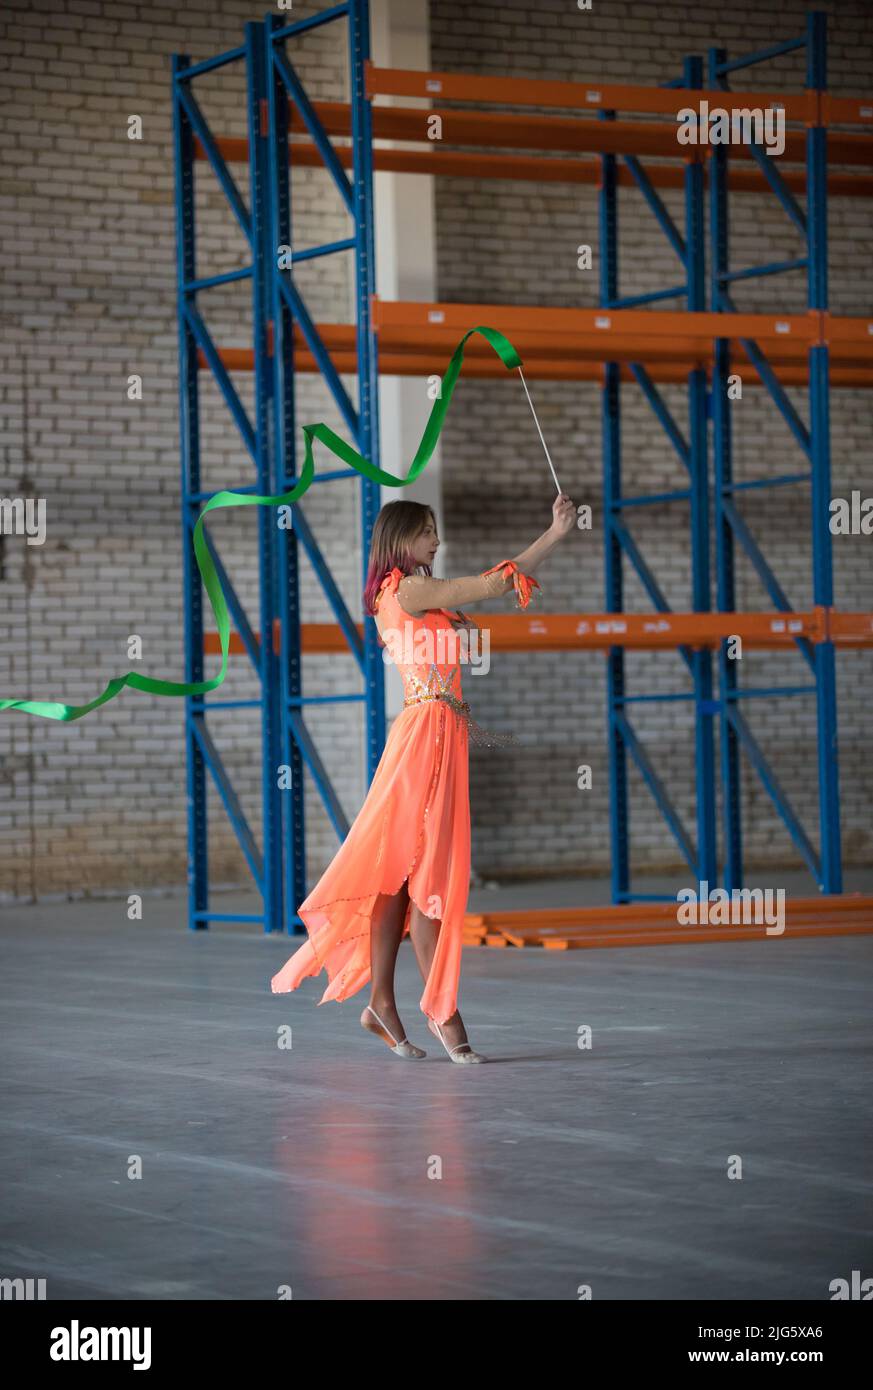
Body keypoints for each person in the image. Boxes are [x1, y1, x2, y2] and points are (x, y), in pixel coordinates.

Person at [271, 491, 576, 1062]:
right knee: (426, 873)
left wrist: (553, 539)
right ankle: (441, 1011)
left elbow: (497, 582)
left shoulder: (412, 595)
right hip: (424, 735)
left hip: (443, 732)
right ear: (400, 538)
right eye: (427, 531)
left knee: (400, 873)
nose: (435, 540)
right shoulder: (406, 590)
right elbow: (488, 584)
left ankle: (382, 1003)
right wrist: (550, 535)